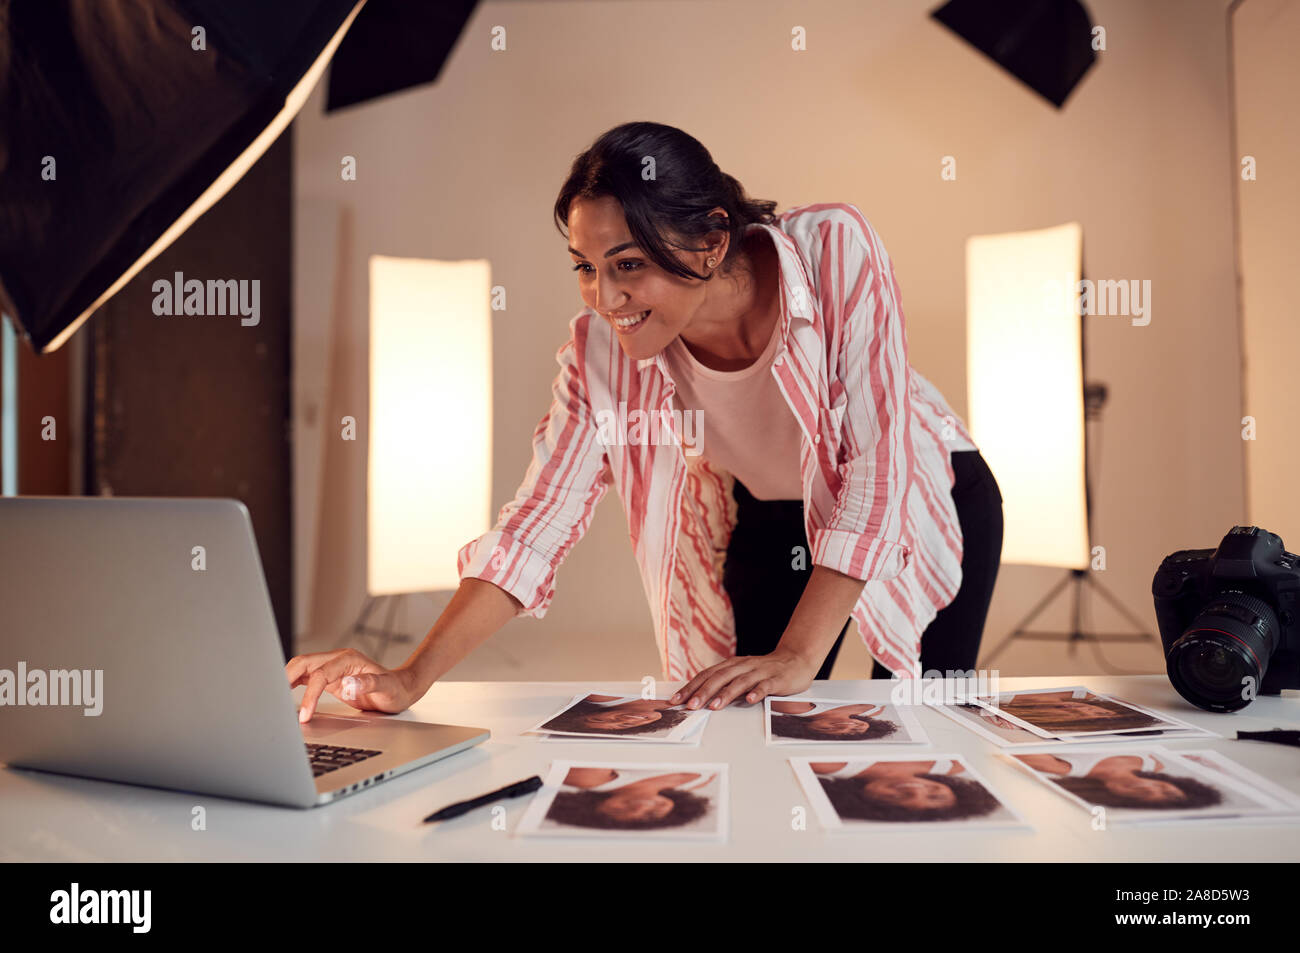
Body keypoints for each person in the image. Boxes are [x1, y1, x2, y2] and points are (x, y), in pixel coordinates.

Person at [287, 121, 1004, 722]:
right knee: (745, 724)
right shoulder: (601, 352)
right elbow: (536, 523)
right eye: (585, 266)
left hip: (924, 498)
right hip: (772, 513)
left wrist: (801, 655)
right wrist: (409, 679)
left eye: (626, 263)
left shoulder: (833, 250)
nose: (606, 296)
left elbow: (876, 469)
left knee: (911, 733)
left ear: (711, 240)